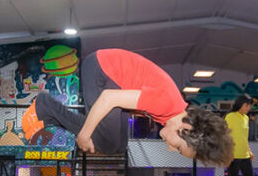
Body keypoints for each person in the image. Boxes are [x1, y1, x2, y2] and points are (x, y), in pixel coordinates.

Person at [21, 48, 234, 166]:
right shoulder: (167, 102)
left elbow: (125, 100)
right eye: (177, 146)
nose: (170, 147)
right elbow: (108, 98)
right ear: (186, 129)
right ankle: (45, 105)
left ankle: (50, 117)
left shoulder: (169, 113)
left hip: (111, 74)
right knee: (107, 140)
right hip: (102, 70)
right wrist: (84, 134)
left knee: (118, 145)